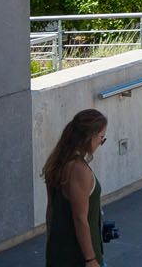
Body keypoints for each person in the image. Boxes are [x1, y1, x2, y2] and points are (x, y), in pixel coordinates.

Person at [41, 108, 107, 267]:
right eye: (101, 137)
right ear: (90, 136)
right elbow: (79, 218)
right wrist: (90, 259)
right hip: (79, 257)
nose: (100, 143)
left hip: (58, 254)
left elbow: (51, 210)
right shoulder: (79, 170)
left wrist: (51, 245)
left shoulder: (56, 163)